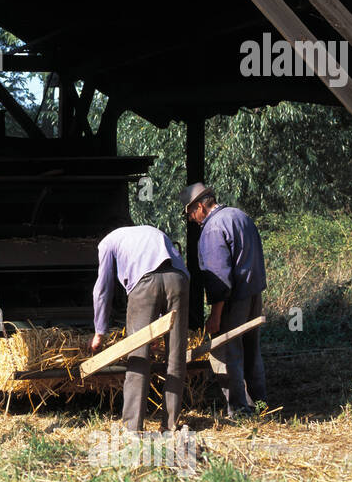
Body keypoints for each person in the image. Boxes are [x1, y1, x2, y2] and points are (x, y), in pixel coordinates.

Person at [90, 224, 190, 432]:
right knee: (175, 356)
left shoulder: (107, 242)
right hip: (179, 279)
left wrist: (100, 331)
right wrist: (158, 327)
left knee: (138, 354)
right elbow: (166, 272)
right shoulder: (149, 231)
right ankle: (170, 426)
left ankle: (133, 427)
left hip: (145, 283)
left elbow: (103, 288)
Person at [180, 183, 266, 418]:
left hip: (232, 300)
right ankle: (259, 404)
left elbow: (219, 278)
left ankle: (239, 411)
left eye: (189, 213)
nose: (190, 219)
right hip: (253, 294)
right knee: (251, 350)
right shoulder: (240, 215)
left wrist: (216, 315)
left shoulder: (212, 229)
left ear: (200, 206)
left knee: (226, 353)